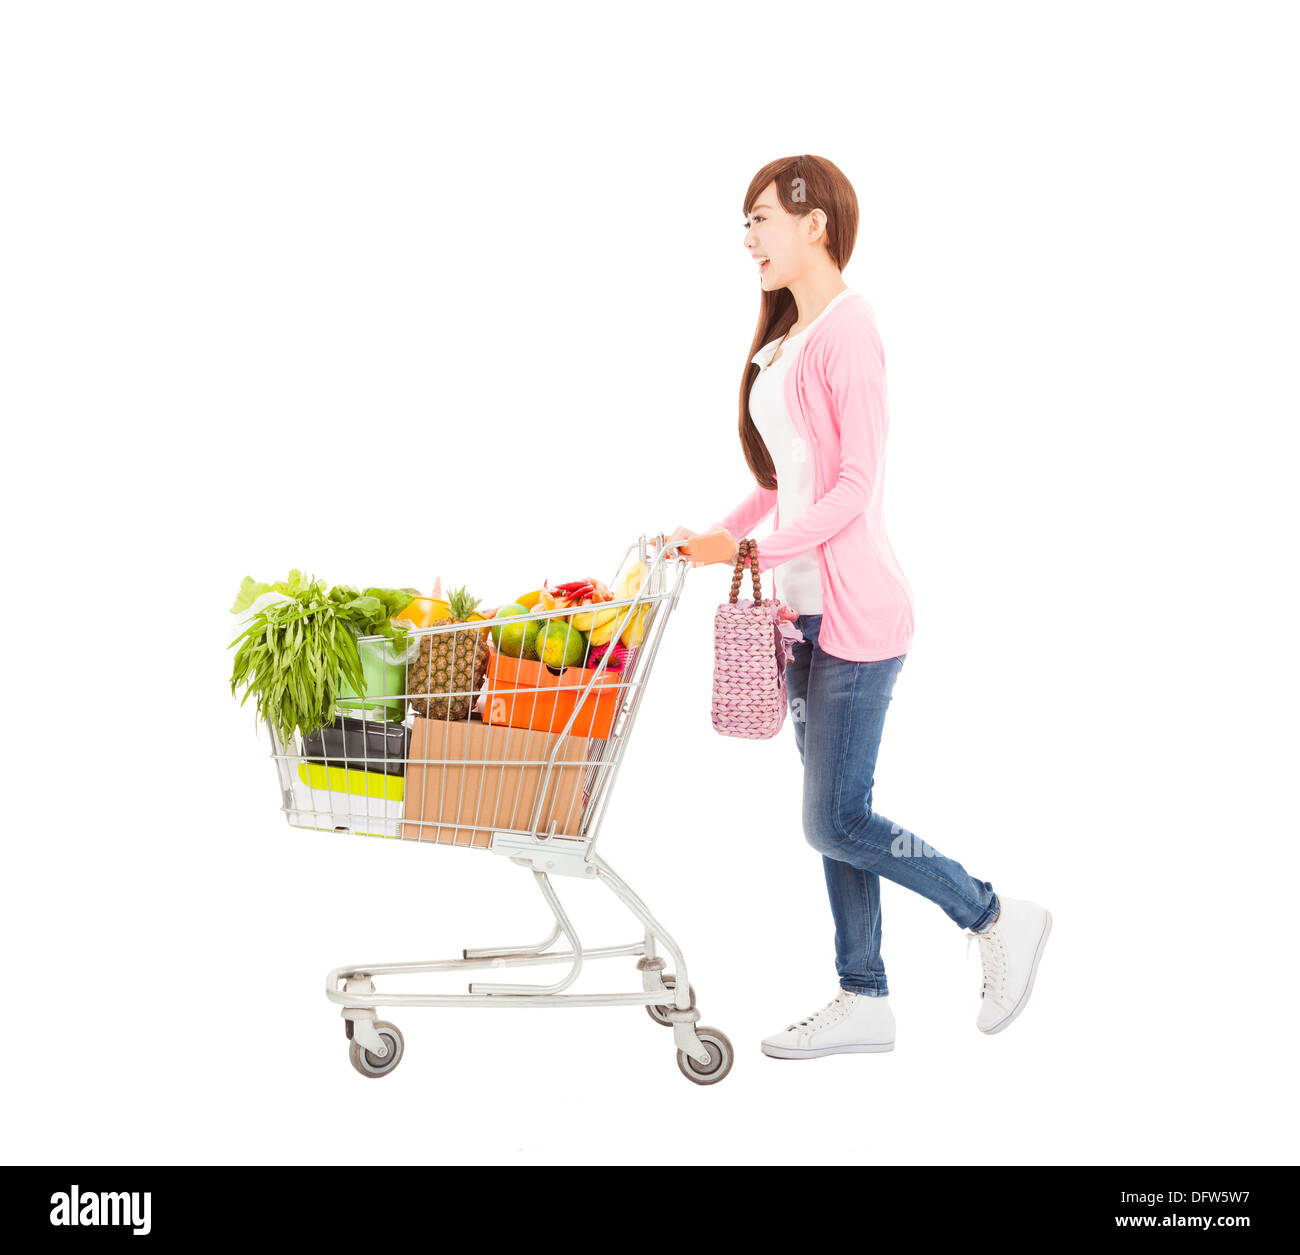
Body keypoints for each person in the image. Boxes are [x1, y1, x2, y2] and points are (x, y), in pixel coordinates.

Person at [666, 155, 1051, 1059]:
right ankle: (864, 993)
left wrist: (751, 553)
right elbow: (784, 481)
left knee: (833, 818)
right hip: (801, 623)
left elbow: (853, 487)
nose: (749, 238)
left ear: (817, 224)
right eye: (745, 222)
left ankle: (993, 913)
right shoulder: (789, 339)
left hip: (858, 621)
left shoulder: (850, 331)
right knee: (836, 814)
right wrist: (715, 536)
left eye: (762, 218)